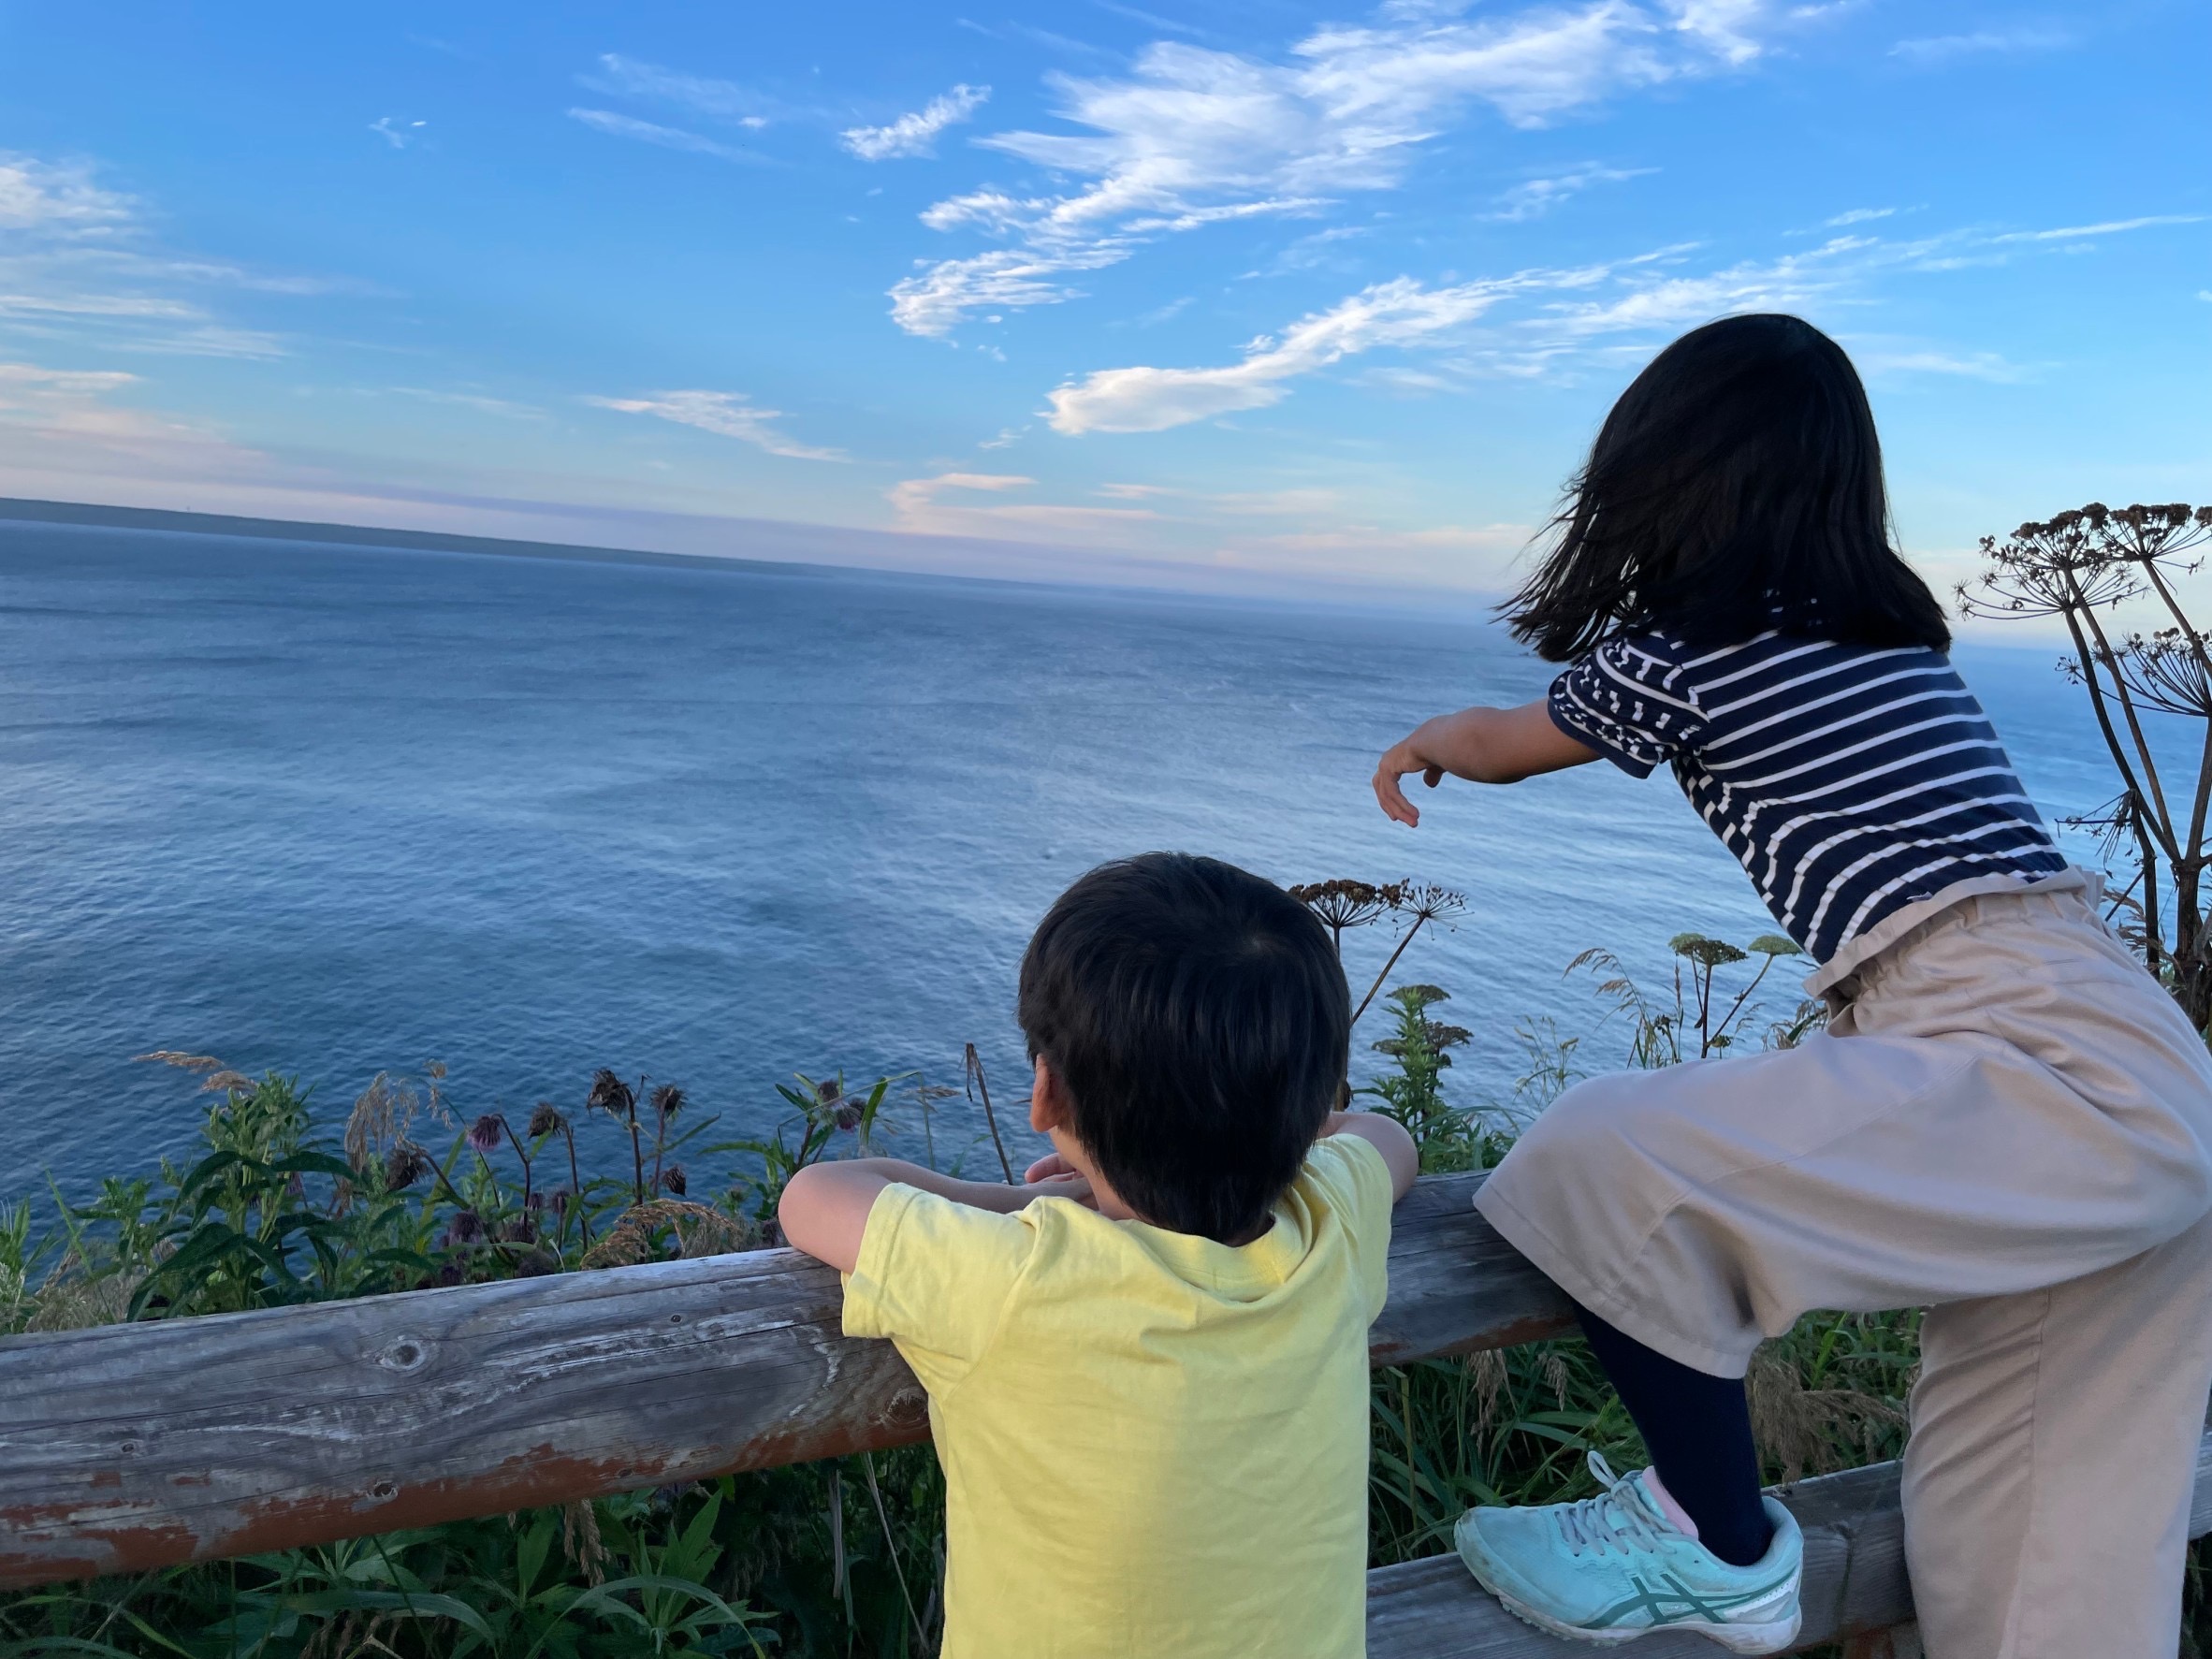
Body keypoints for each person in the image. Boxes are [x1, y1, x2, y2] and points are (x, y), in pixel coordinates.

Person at [1372, 313, 2212, 1657]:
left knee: (1599, 1153)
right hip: (2132, 1042)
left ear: (1665, 469)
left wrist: (1426, 742)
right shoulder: (1888, 630)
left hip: (2015, 1037)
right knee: (2048, 1537)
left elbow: (1511, 745)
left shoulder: (1687, 650)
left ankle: (1710, 1537)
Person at [779, 851, 1419, 1659]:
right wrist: (1268, 1130)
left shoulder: (1014, 1279)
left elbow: (813, 1194)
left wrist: (1036, 1203)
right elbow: (1388, 1138)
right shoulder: (1332, 1227)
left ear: (1046, 1094)